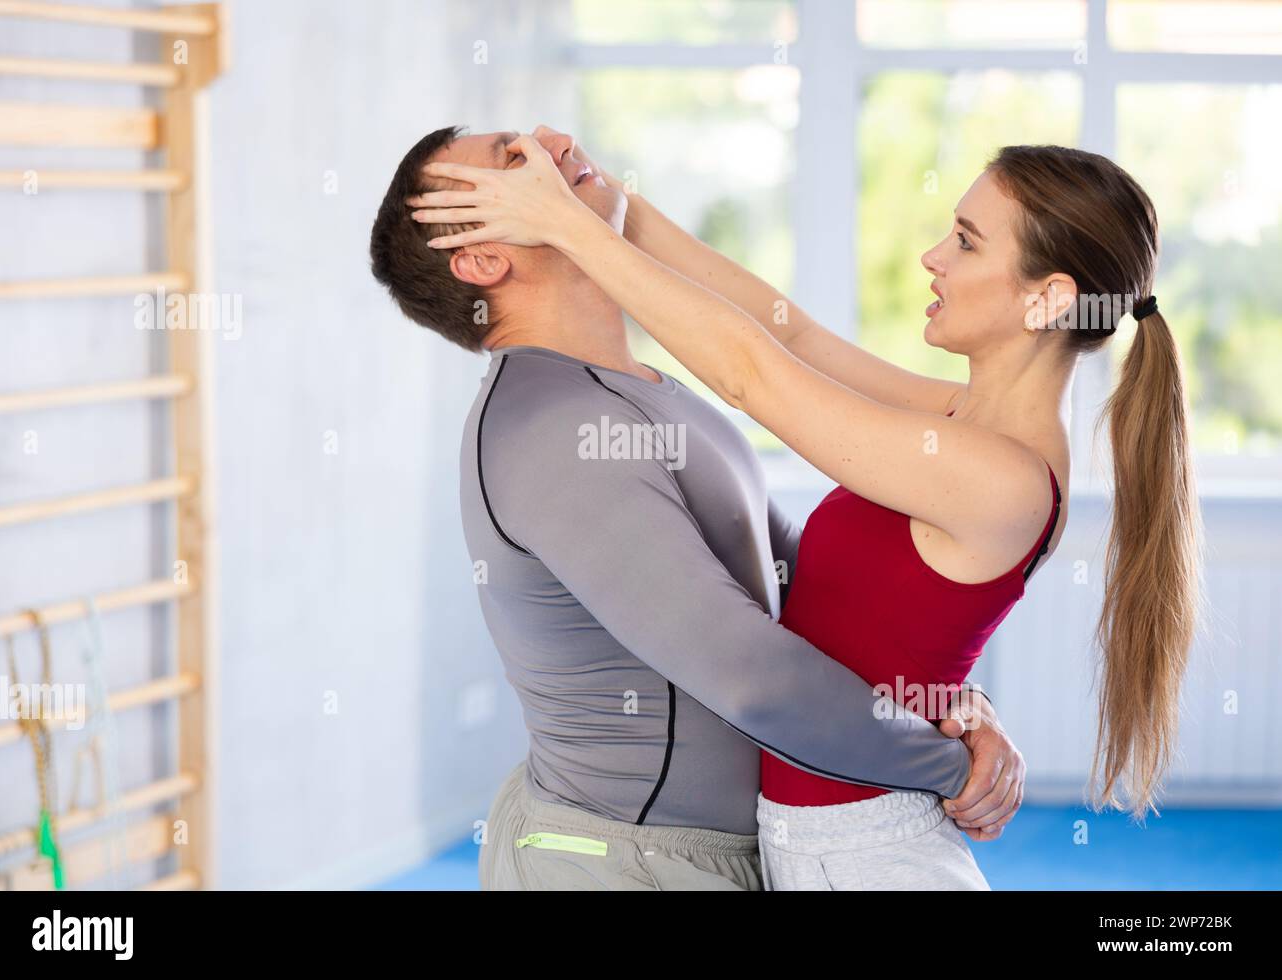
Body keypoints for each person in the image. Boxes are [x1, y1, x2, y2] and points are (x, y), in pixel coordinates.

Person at [409, 135, 1199, 890]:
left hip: (864, 853)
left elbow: (758, 373)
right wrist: (613, 206)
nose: (932, 256)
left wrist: (568, 225)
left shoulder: (1002, 476)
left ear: (1049, 298)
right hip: (814, 841)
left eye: (964, 240)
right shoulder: (961, 420)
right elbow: (794, 337)